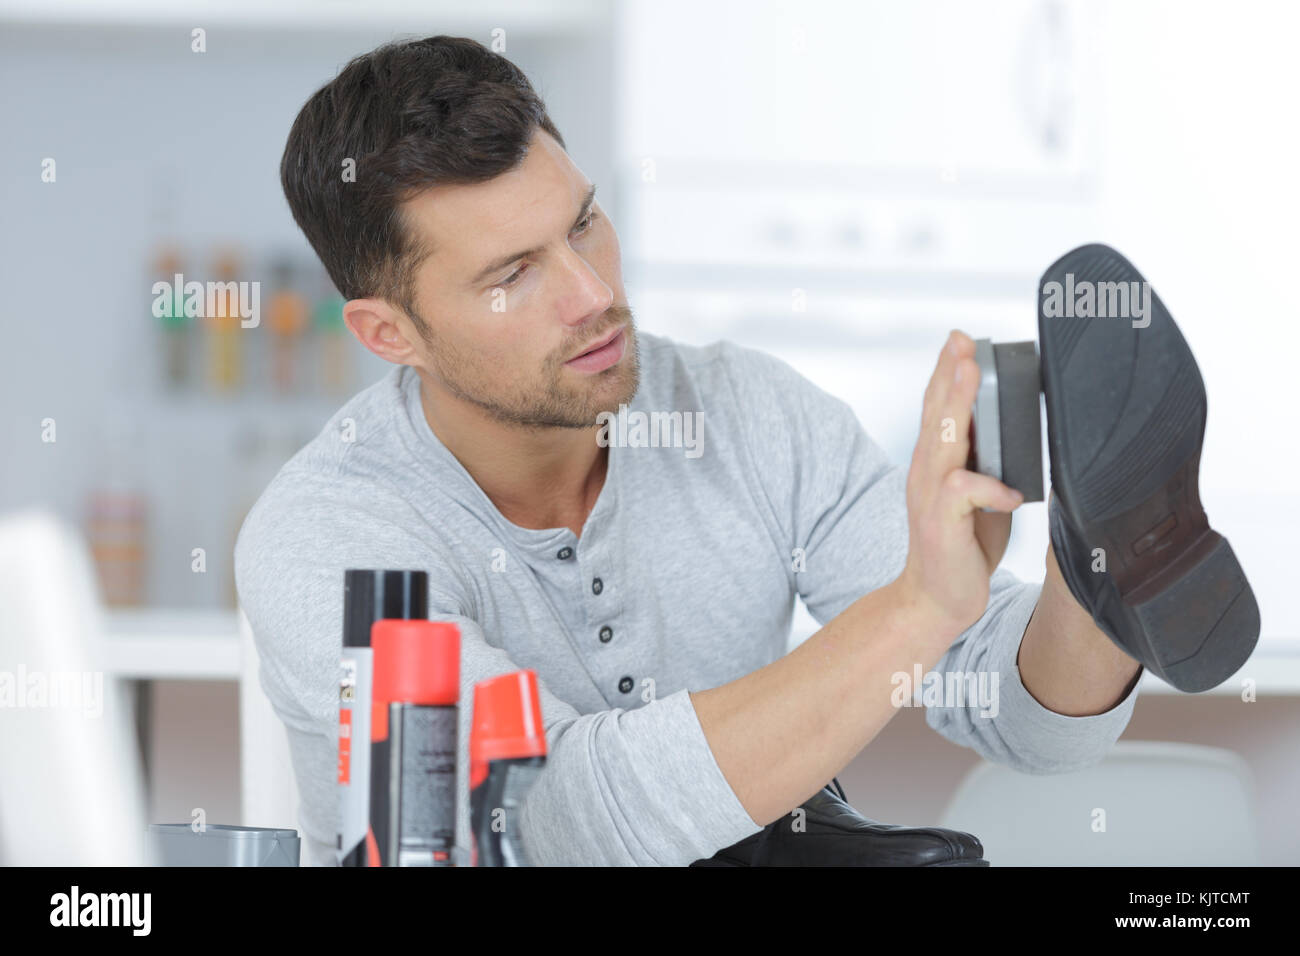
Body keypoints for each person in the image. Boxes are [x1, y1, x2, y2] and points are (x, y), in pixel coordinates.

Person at [234, 35, 1142, 867]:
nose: (590, 294)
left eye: (583, 224)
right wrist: (914, 613)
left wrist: (1095, 550)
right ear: (390, 334)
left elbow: (1034, 723)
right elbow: (547, 822)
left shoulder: (750, 415)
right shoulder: (328, 537)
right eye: (513, 274)